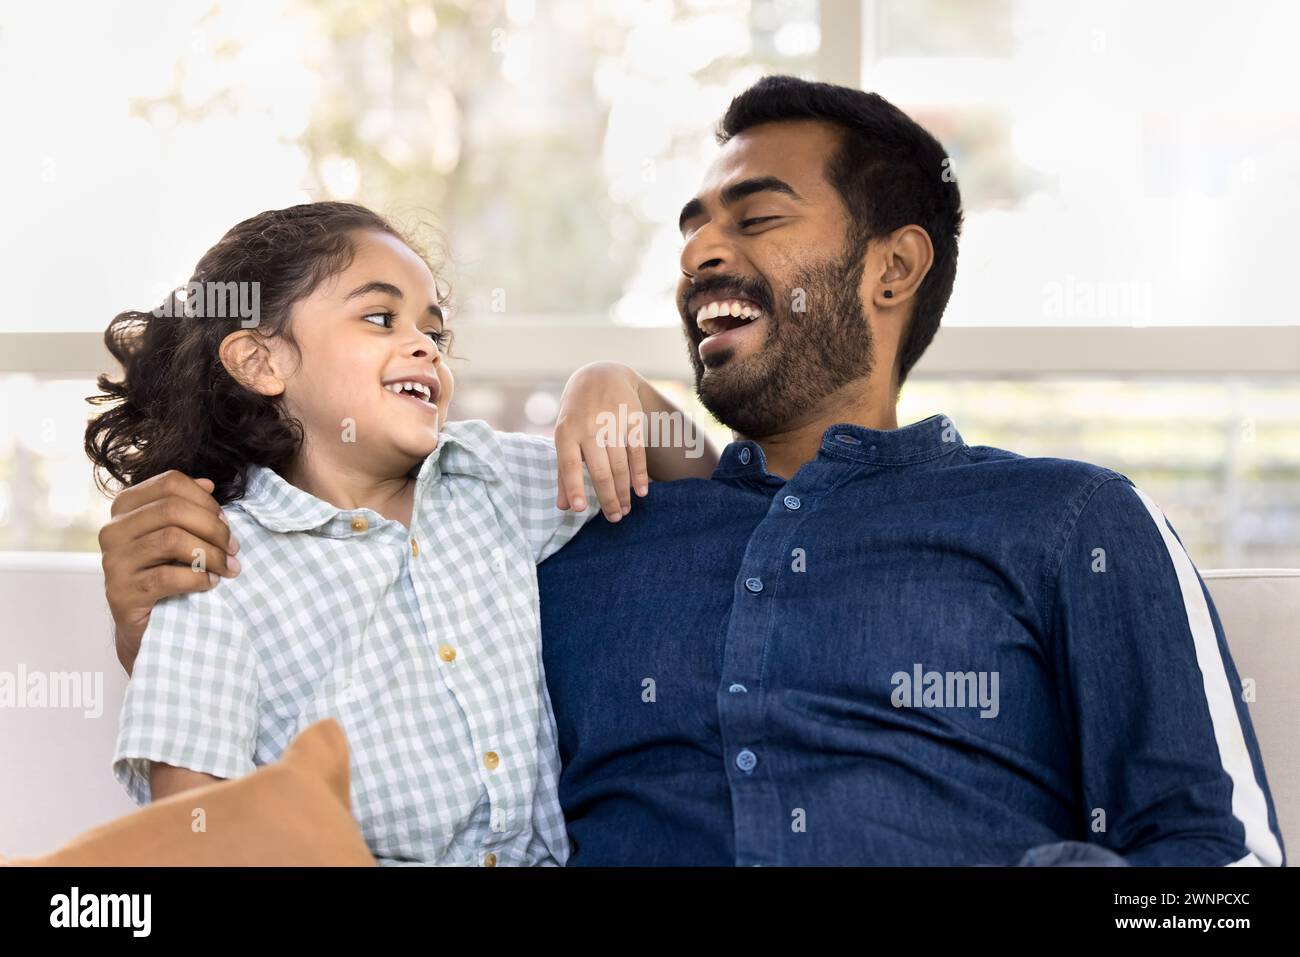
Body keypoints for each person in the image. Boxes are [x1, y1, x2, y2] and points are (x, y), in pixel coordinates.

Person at [99, 77, 1285, 867]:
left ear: (889, 270)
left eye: (755, 217)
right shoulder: (588, 528)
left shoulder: (1067, 520)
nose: (702, 250)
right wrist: (176, 589)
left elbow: (1217, 862)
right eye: (690, 227)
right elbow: (364, 643)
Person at [85, 201, 716, 865]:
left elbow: (705, 499)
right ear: (261, 362)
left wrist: (623, 391)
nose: (423, 347)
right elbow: (194, 829)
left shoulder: (493, 479)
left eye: (434, 334)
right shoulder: (215, 571)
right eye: (380, 318)